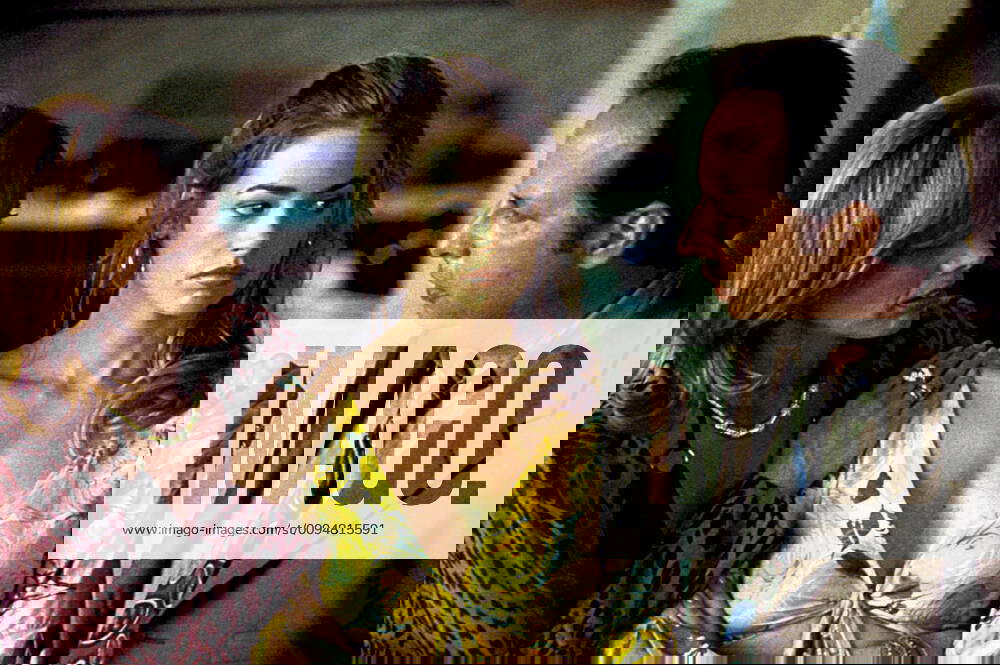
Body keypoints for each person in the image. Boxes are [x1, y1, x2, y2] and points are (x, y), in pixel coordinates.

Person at [356, 78, 1000, 661]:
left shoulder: (918, 380)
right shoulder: (639, 349)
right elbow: (453, 605)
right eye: (932, 245)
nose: (945, 278)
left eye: (976, 260)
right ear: (857, 222)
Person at [0, 55, 448, 663]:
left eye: (312, 219)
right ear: (185, 207)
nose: (253, 248)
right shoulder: (29, 386)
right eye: (255, 205)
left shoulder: (262, 421)